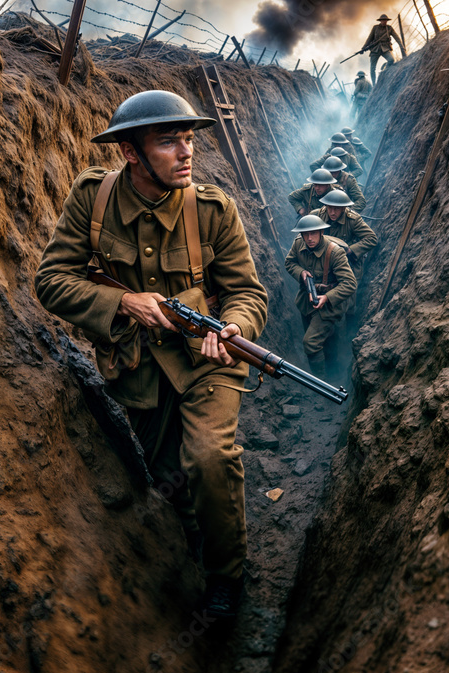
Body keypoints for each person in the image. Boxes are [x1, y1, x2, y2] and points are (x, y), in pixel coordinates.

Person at [34, 90, 269, 619]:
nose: (186, 152)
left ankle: (226, 579)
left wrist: (236, 325)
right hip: (136, 369)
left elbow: (248, 293)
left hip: (208, 360)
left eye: (188, 139)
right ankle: (190, 549)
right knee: (167, 478)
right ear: (131, 152)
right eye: (168, 141)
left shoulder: (212, 209)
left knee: (208, 458)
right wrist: (122, 302)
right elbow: (51, 282)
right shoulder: (93, 201)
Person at [284, 215, 357, 378]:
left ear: (321, 232)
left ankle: (322, 382)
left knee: (310, 343)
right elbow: (289, 263)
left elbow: (350, 283)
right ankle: (331, 367)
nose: (309, 238)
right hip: (306, 300)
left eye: (314, 233)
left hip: (330, 305)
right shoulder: (298, 244)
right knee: (321, 339)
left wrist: (327, 297)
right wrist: (301, 272)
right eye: (305, 234)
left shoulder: (335, 252)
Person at [309, 189, 378, 279]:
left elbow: (372, 238)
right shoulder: (316, 216)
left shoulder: (353, 220)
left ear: (343, 208)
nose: (333, 212)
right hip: (322, 261)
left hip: (346, 262)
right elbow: (304, 238)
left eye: (336, 208)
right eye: (330, 208)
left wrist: (350, 250)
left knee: (348, 287)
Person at [364, 13, 405, 85]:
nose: (384, 22)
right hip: (375, 49)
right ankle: (374, 84)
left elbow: (397, 37)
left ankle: (384, 73)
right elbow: (369, 38)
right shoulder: (375, 28)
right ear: (380, 21)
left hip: (385, 48)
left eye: (385, 20)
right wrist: (363, 48)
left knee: (391, 60)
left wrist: (401, 46)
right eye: (383, 20)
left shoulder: (389, 28)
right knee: (372, 68)